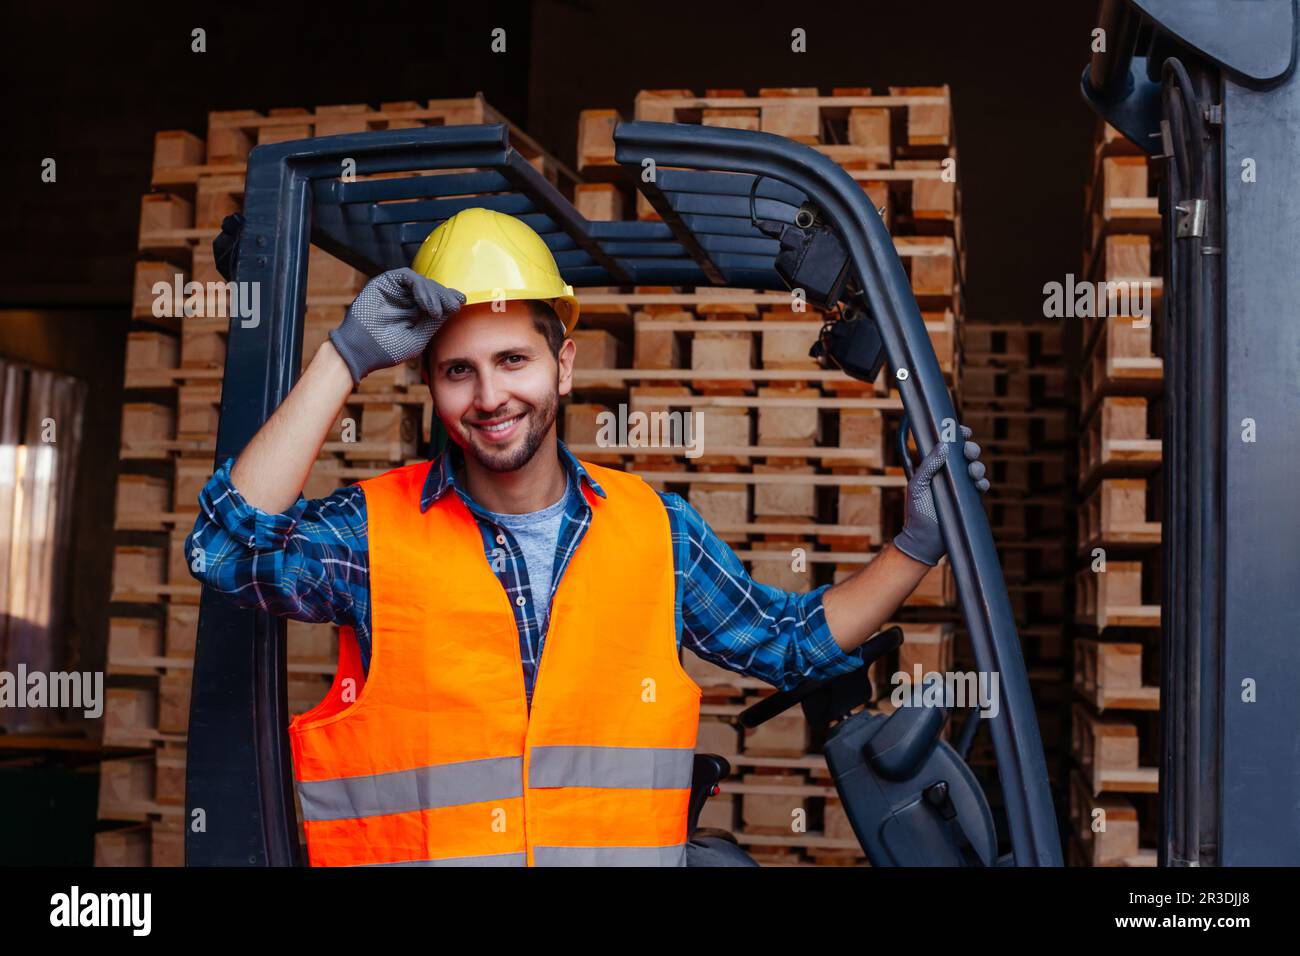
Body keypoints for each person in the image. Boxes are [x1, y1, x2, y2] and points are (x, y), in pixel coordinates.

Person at [186, 207, 988, 868]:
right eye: (458, 370)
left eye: (513, 360)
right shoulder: (373, 533)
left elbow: (790, 642)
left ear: (563, 366)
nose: (491, 395)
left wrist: (916, 545)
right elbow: (222, 549)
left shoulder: (653, 530)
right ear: (429, 383)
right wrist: (344, 357)